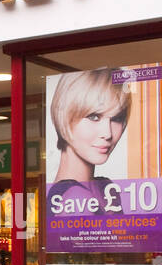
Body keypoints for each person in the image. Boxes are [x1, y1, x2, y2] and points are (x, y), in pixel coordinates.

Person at [48, 68, 131, 210]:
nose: (108, 133)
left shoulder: (106, 188)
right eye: (94, 117)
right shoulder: (75, 197)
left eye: (116, 118)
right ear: (65, 117)